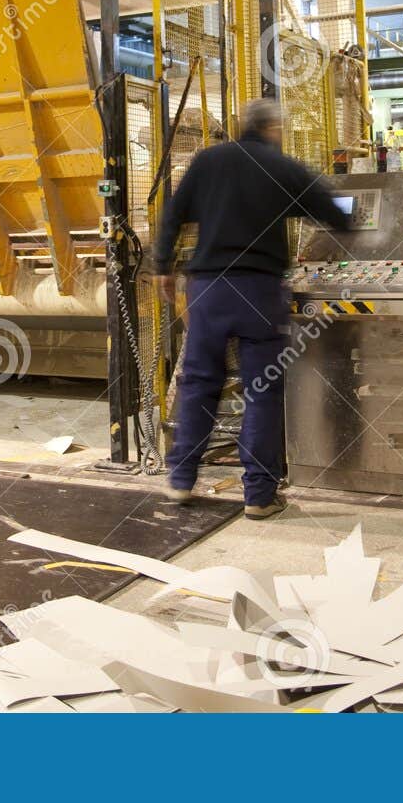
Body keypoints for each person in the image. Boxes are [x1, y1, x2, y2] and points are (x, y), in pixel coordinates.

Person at [151, 98, 353, 520]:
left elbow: (172, 214)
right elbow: (335, 213)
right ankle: (259, 495)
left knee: (200, 383)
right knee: (261, 391)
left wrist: (162, 267)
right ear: (273, 128)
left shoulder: (208, 161)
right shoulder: (282, 167)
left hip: (208, 289)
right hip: (259, 291)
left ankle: (181, 480)